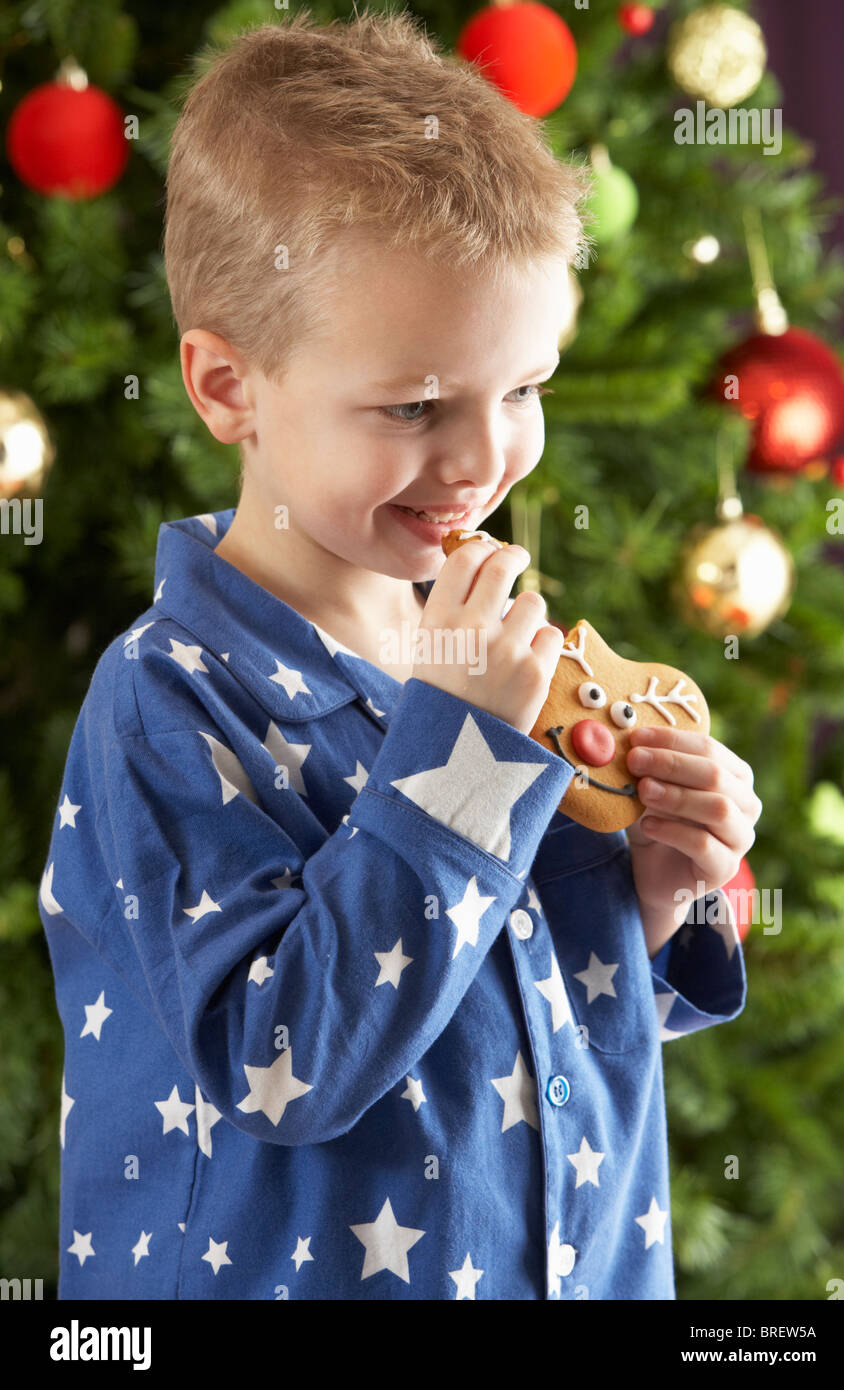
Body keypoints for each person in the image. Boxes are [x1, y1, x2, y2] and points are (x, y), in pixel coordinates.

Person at [37, 6, 761, 1300]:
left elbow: (529, 1018)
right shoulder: (167, 700)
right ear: (226, 389)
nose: (486, 460)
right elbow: (286, 1060)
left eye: (525, 387)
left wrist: (659, 894)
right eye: (416, 405)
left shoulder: (494, 647)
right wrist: (467, 753)